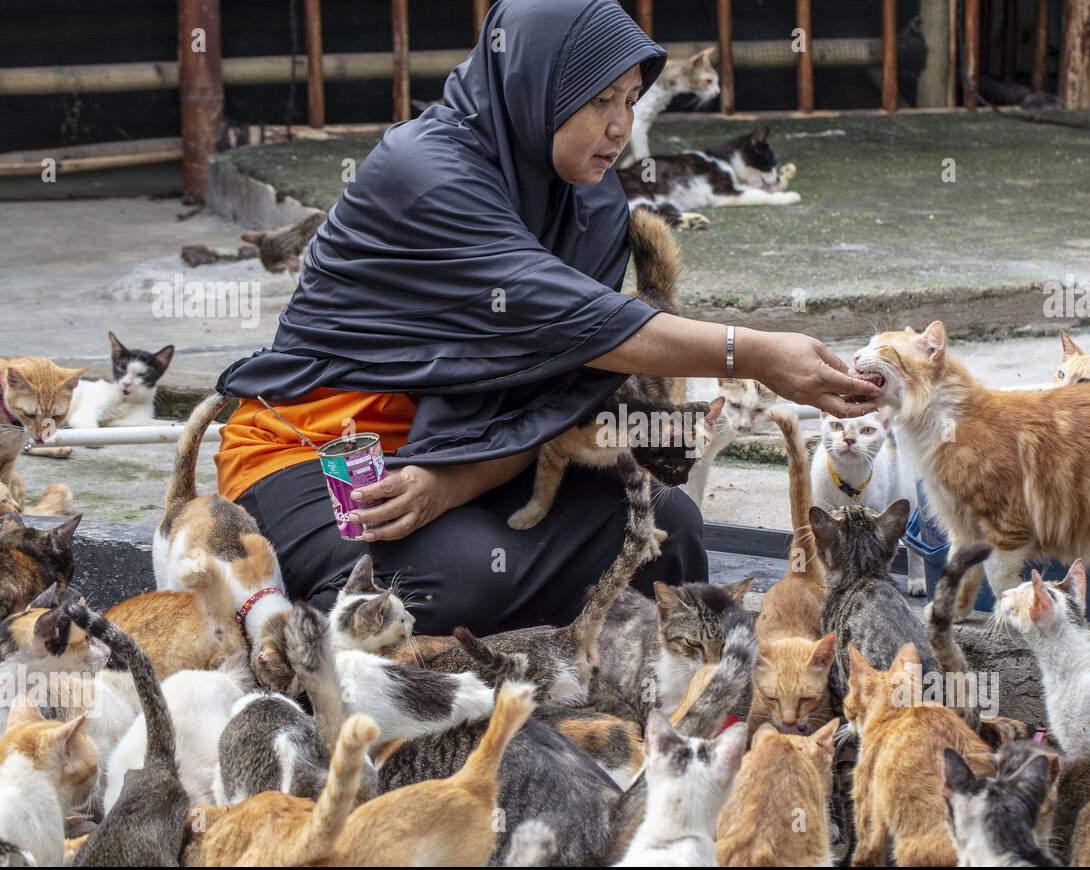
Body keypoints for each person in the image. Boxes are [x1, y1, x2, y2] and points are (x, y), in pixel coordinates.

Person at [213, 0, 877, 635]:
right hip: (314, 451)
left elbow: (551, 395)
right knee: (443, 584)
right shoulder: (423, 171)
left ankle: (619, 717)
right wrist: (753, 352)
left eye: (628, 99)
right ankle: (303, 669)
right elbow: (571, 317)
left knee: (666, 532)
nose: (620, 125)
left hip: (466, 453)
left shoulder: (590, 207)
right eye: (598, 101)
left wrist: (450, 484)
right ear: (535, 87)